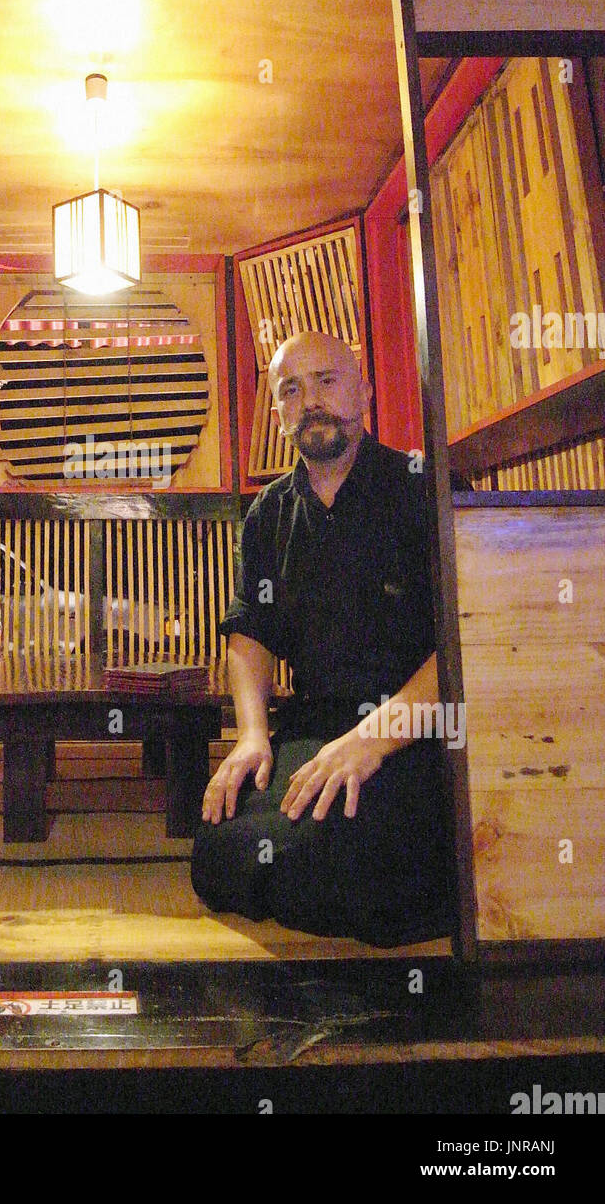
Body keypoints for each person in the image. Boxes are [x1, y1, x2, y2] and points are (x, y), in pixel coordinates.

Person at [190, 330, 454, 946]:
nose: (311, 400)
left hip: (416, 726)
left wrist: (372, 739)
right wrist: (252, 735)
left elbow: (462, 638)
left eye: (327, 381)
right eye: (291, 389)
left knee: (355, 850)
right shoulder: (269, 513)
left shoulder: (424, 488)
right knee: (218, 841)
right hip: (314, 725)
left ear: (363, 390)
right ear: (280, 415)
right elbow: (249, 632)